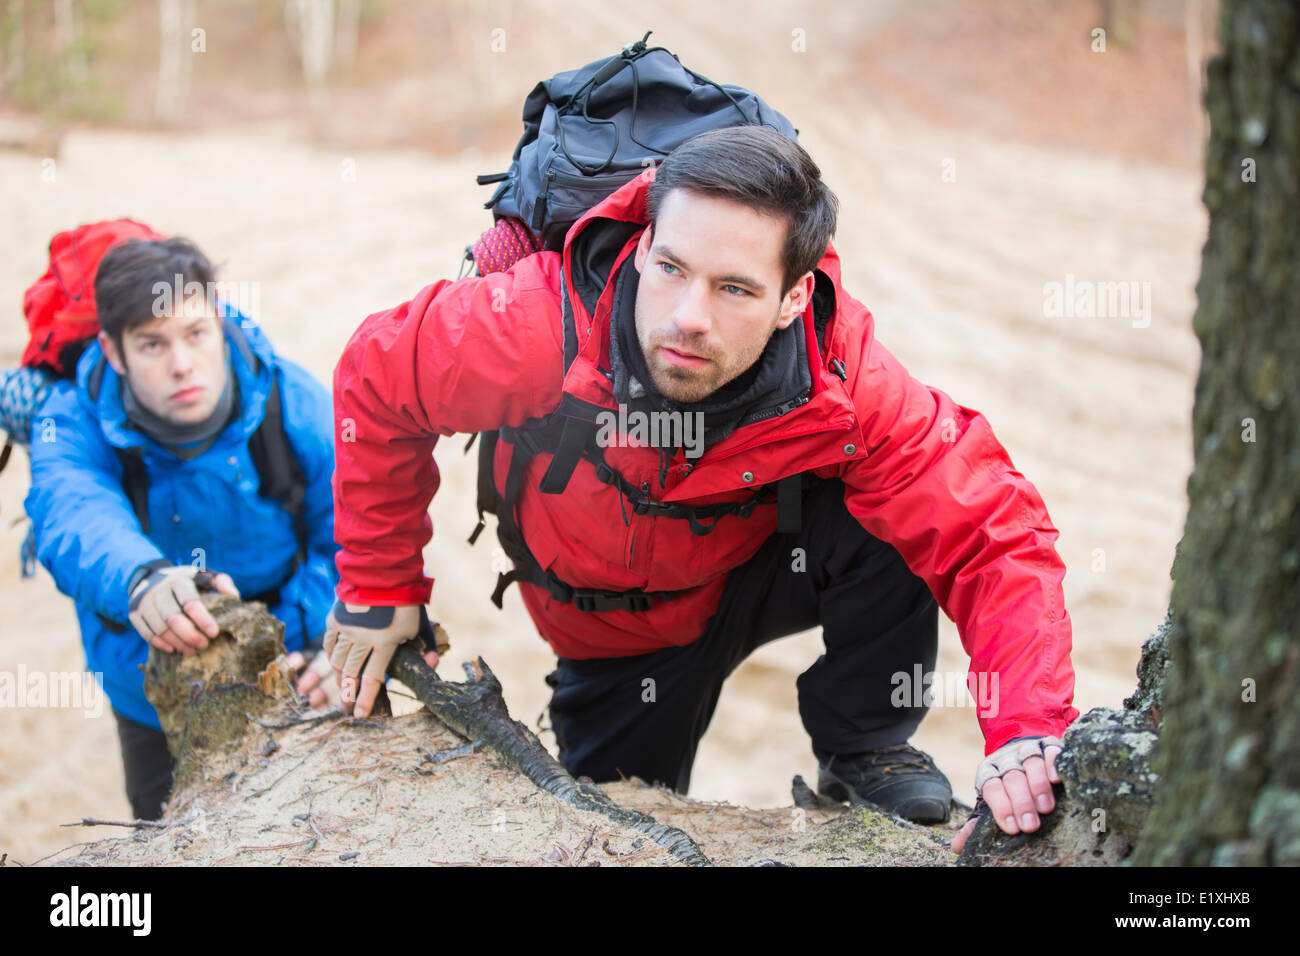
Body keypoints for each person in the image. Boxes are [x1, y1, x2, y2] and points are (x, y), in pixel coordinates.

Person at [326, 126, 1078, 847]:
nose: (688, 318)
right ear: (645, 243)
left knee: (892, 521)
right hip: (619, 637)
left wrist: (1027, 728)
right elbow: (377, 375)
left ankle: (864, 747)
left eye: (735, 289)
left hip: (752, 567)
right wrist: (379, 588)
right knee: (608, 827)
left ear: (792, 299)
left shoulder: (842, 376)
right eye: (672, 269)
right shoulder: (536, 323)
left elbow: (991, 529)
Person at [25, 237, 341, 820]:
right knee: (167, 838)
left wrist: (331, 639)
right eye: (152, 344)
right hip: (151, 693)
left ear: (218, 321)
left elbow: (354, 533)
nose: (181, 364)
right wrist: (139, 579)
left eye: (196, 334)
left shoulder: (291, 401)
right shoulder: (71, 419)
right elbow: (70, 510)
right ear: (112, 351)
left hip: (300, 674)